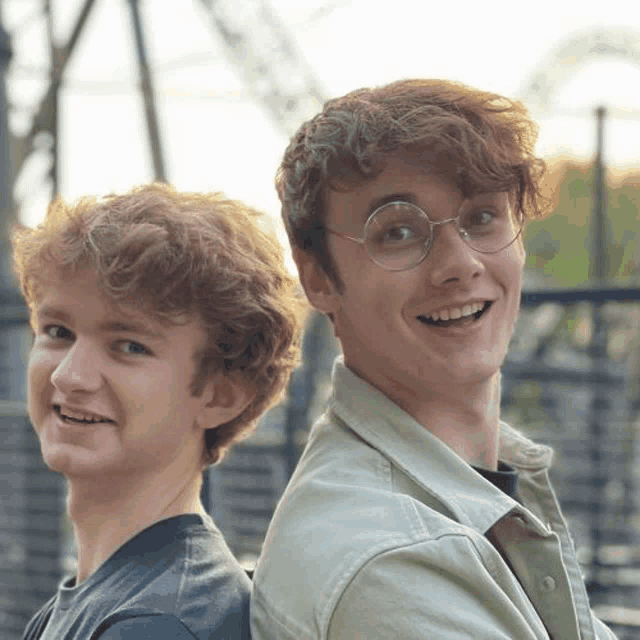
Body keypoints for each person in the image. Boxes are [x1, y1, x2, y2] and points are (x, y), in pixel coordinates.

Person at [250, 79, 617, 639]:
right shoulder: (390, 563)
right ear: (319, 277)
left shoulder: (481, 486)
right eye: (397, 232)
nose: (460, 263)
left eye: (483, 217)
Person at [12, 183, 303, 640]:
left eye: (129, 346)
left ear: (220, 395)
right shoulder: (81, 605)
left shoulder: (163, 622)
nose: (69, 376)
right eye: (58, 331)